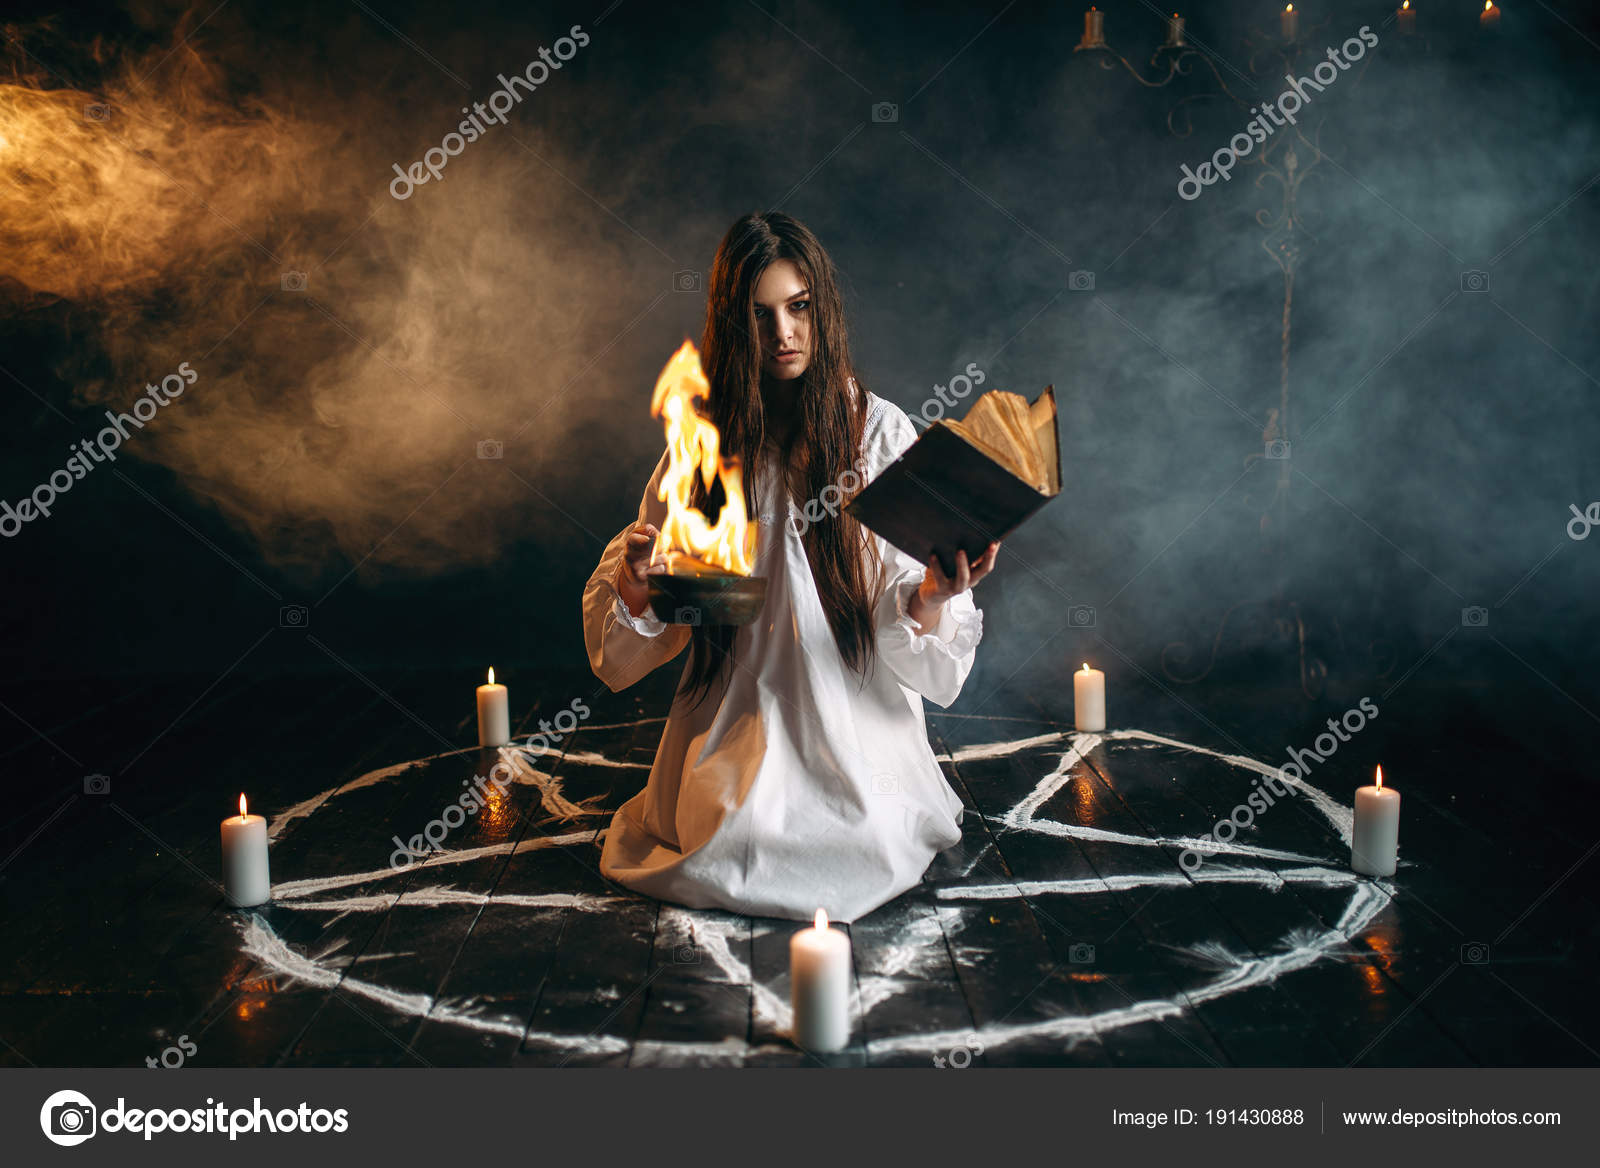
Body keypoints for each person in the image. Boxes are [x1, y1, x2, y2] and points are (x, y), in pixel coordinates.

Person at [581, 210, 999, 922]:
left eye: (799, 307)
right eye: (760, 314)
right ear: (733, 324)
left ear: (822, 309)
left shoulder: (878, 433)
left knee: (866, 839)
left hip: (854, 728)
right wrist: (638, 585)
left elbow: (917, 626)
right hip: (733, 720)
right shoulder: (702, 446)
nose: (783, 333)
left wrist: (931, 597)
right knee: (727, 834)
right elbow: (656, 630)